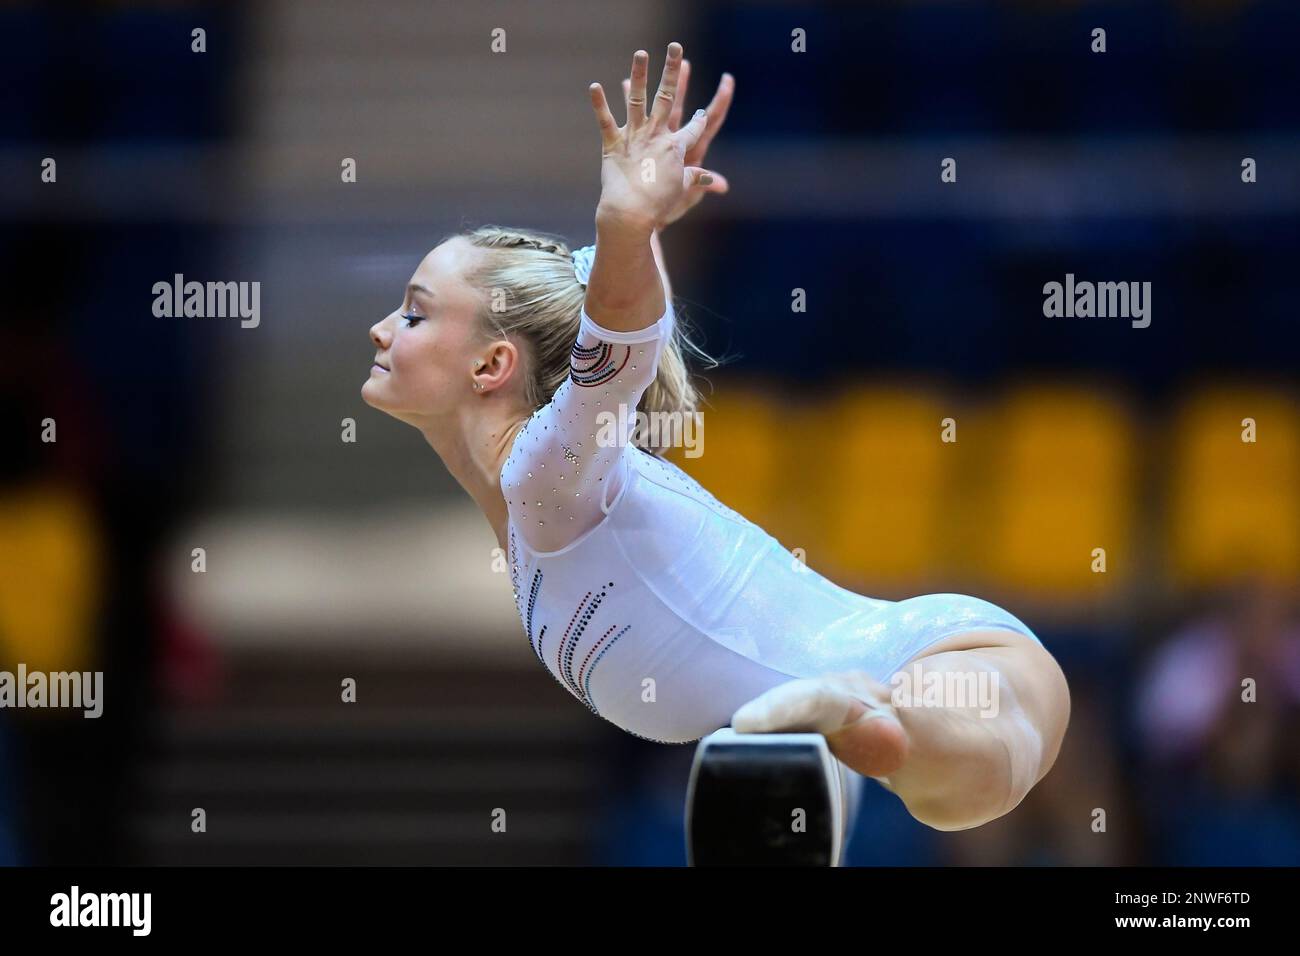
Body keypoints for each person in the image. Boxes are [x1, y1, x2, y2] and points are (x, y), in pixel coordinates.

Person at [361, 41, 1070, 838]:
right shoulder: (543, 510)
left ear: (493, 363)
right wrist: (635, 239)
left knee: (939, 767)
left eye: (415, 313)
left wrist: (626, 227)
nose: (382, 329)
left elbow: (611, 362)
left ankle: (864, 711)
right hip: (956, 671)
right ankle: (860, 718)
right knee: (945, 786)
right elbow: (610, 337)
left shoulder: (543, 479)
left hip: (945, 659)